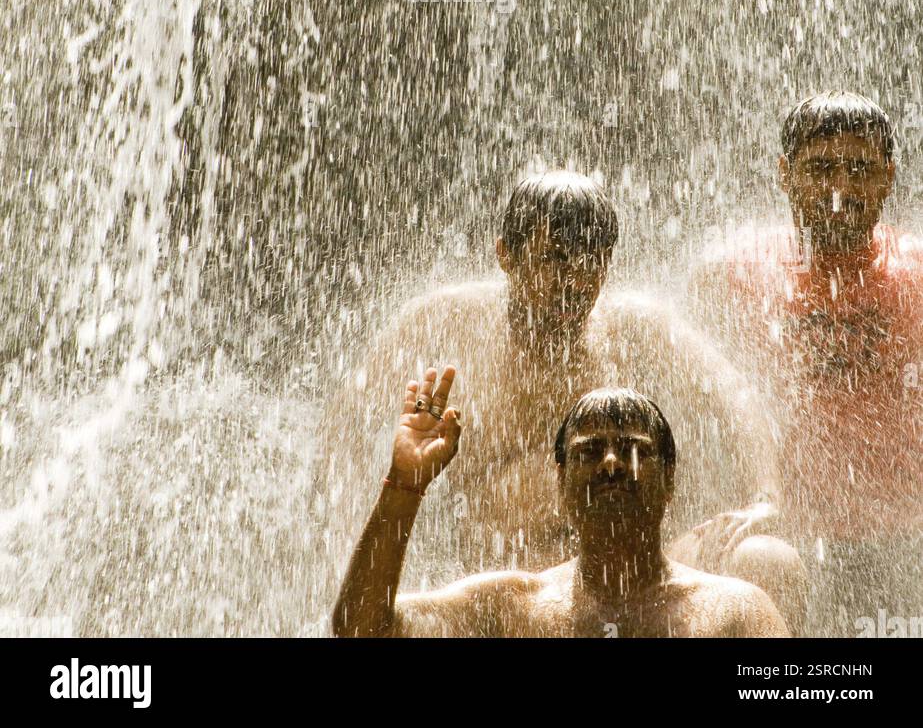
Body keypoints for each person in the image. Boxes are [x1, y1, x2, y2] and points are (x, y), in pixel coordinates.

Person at [328, 170, 794, 612]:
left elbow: (734, 398)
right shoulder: (442, 324)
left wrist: (763, 498)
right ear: (506, 255)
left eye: (593, 259)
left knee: (768, 559)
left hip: (637, 578)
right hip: (502, 589)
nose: (575, 279)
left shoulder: (637, 328)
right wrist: (345, 535)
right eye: (556, 257)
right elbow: (345, 428)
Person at [689, 91, 923, 636]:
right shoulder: (730, 275)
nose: (839, 189)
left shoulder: (917, 278)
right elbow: (698, 402)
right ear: (785, 173)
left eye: (859, 169)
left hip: (904, 538)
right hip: (774, 534)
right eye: (820, 169)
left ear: (887, 177)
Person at [332, 367, 790, 637]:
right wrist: (404, 487)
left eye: (633, 449)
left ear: (669, 480)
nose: (611, 462)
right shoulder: (513, 608)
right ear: (561, 482)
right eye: (590, 451)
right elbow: (360, 629)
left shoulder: (734, 612)